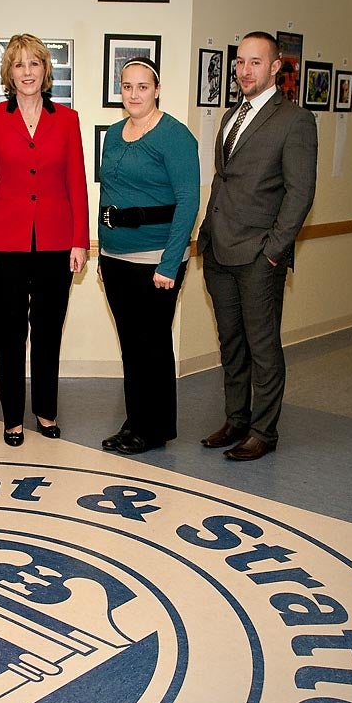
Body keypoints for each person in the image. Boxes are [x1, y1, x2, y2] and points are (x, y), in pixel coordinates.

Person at [197, 31, 318, 461]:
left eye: (255, 62)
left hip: (258, 256)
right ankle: (237, 419)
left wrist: (273, 251)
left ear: (275, 67)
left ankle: (263, 432)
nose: (245, 70)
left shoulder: (295, 121)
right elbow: (227, 180)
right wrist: (207, 234)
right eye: (240, 62)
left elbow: (300, 194)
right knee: (231, 342)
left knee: (262, 347)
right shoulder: (232, 115)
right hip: (218, 250)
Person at [0, 33, 89, 447]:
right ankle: (12, 418)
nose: (27, 72)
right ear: (9, 72)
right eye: (19, 64)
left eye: (34, 63)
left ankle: (46, 410)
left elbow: (77, 182)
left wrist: (80, 240)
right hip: (5, 245)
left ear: (45, 70)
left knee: (47, 333)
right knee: (8, 335)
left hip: (57, 244)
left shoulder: (68, 119)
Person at [98, 57, 200, 455]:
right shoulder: (113, 134)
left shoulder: (175, 136)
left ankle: (155, 429)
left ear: (156, 89)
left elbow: (188, 201)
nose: (134, 94)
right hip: (116, 257)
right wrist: (102, 251)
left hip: (157, 257)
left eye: (142, 86)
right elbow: (107, 194)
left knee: (152, 344)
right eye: (127, 86)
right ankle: (135, 422)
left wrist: (170, 262)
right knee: (130, 344)